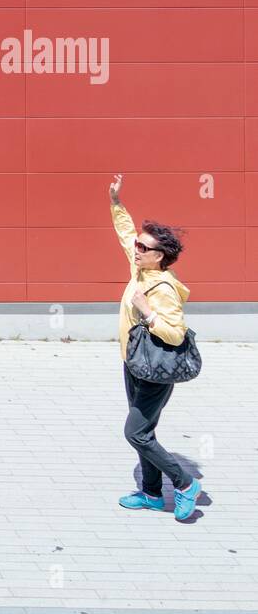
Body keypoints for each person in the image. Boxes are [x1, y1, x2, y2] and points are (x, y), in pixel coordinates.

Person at [108, 174, 202, 521]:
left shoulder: (160, 287)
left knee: (135, 433)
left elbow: (176, 334)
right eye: (137, 245)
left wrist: (147, 313)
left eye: (143, 248)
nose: (136, 249)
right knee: (144, 432)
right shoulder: (140, 271)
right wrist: (116, 202)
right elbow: (124, 232)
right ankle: (150, 494)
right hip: (134, 363)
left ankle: (184, 483)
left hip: (155, 371)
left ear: (160, 257)